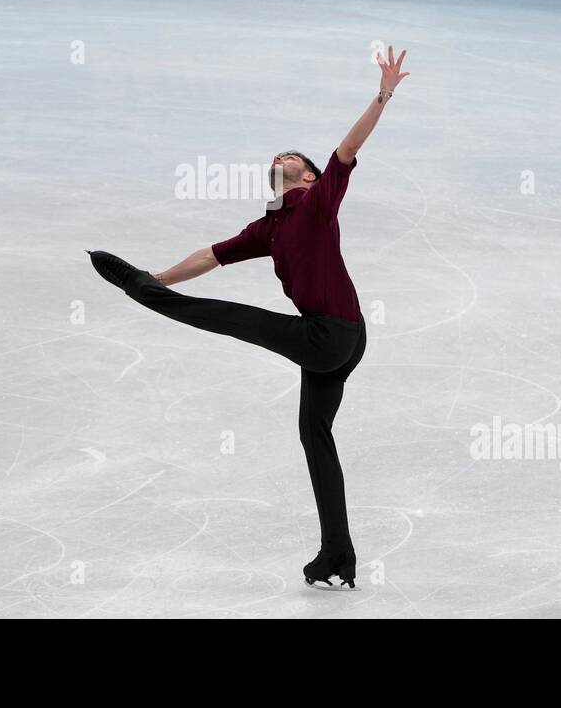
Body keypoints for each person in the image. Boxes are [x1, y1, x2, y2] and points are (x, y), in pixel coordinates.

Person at [89, 45, 409, 588]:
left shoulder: (318, 203)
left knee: (236, 318)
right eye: (276, 158)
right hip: (341, 341)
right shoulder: (269, 229)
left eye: (293, 157)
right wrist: (162, 277)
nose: (281, 157)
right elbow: (211, 256)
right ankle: (337, 554)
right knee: (314, 436)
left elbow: (349, 147)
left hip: (330, 336)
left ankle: (141, 291)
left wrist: (383, 93)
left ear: (309, 177)